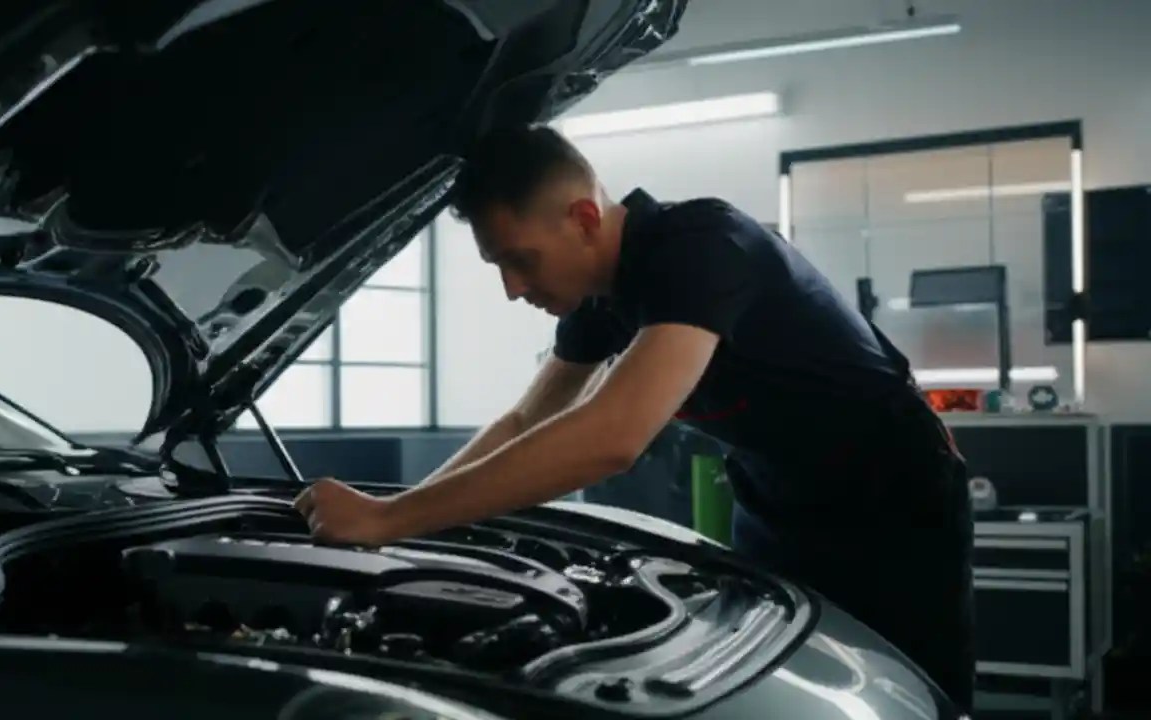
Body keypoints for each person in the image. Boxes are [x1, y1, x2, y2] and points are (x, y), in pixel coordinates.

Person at [293, 124, 974, 710]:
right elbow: (527, 420)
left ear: (585, 219)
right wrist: (404, 518)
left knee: (909, 696)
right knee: (789, 697)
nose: (513, 289)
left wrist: (389, 519)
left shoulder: (703, 244)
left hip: (890, 496)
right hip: (778, 500)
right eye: (499, 267)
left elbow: (614, 436)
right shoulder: (602, 300)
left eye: (521, 261)